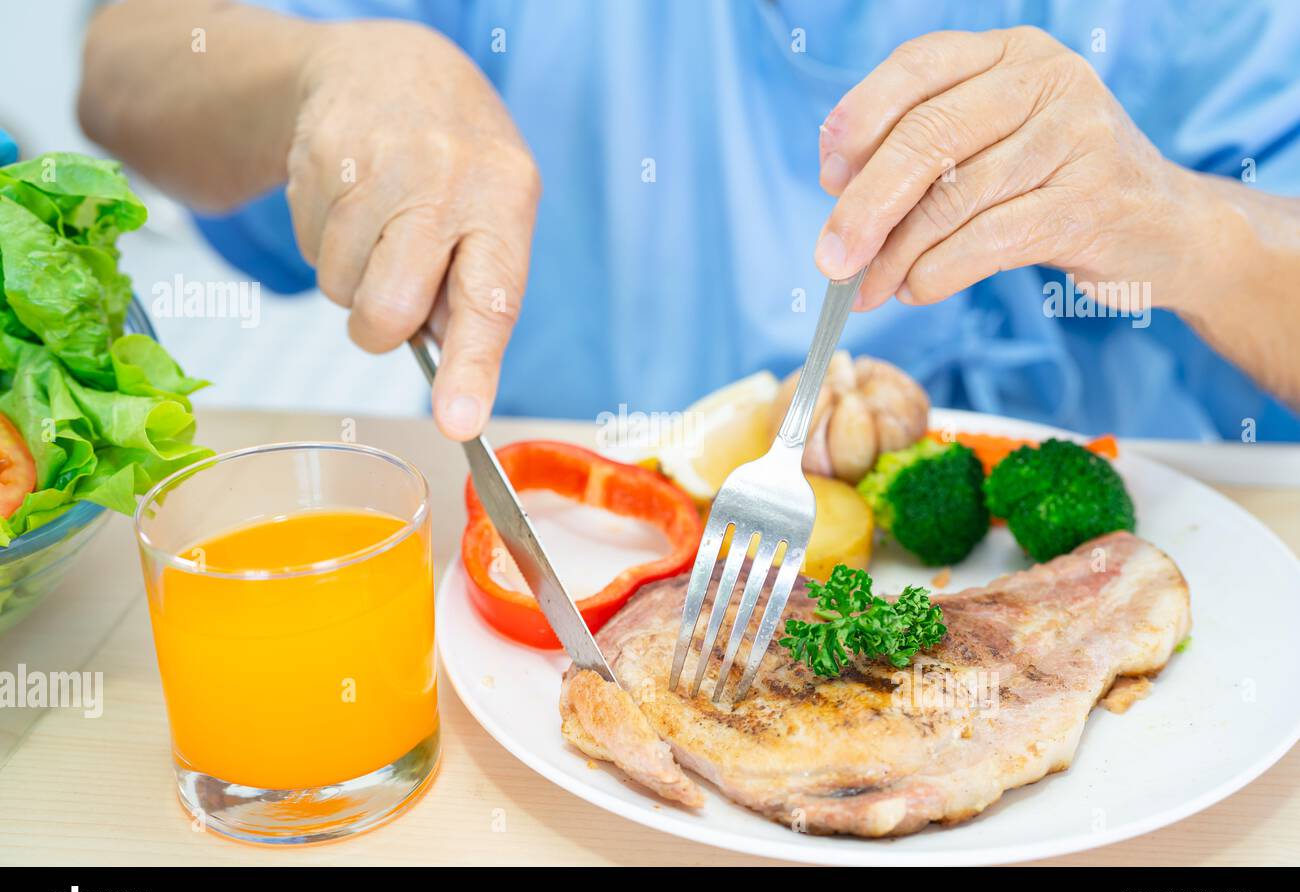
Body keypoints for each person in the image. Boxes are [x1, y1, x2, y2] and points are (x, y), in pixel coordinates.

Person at [78, 0, 1300, 442]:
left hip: (1113, 660)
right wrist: (326, 68)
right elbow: (127, 59)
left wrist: (1191, 229)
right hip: (554, 589)